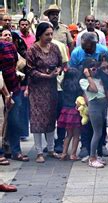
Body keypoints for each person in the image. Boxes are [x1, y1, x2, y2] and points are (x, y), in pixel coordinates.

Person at [26, 22, 63, 163]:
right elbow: (30, 70)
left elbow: (60, 64)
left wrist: (58, 71)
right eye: (47, 34)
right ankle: (39, 151)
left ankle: (51, 149)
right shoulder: (32, 50)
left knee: (50, 117)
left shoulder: (54, 48)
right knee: (37, 119)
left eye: (51, 34)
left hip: (51, 88)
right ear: (39, 34)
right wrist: (45, 76)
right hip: (37, 90)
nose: (49, 37)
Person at [79, 58, 108, 168]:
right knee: (97, 133)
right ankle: (92, 157)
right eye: (93, 68)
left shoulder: (99, 78)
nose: (95, 70)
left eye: (96, 68)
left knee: (101, 133)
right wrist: (88, 76)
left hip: (103, 107)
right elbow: (94, 90)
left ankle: (97, 155)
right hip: (94, 106)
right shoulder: (83, 81)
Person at [57, 67, 82, 161]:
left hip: (66, 111)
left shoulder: (64, 85)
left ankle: (64, 153)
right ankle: (73, 154)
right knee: (76, 135)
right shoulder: (77, 88)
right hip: (74, 112)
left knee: (68, 134)